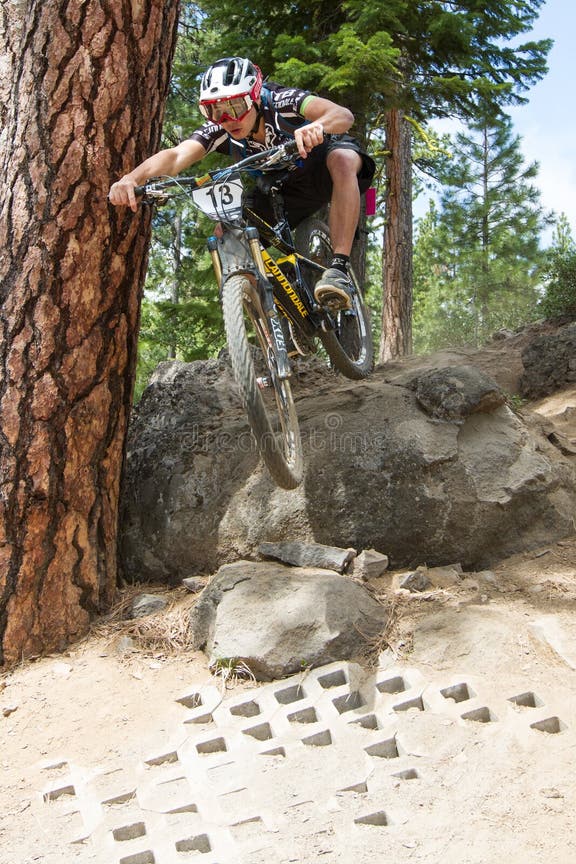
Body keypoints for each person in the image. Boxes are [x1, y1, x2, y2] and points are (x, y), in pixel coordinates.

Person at [109, 56, 375, 309]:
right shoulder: (220, 130)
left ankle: (339, 270)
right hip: (281, 189)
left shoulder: (282, 102)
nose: (228, 120)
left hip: (323, 171)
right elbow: (176, 155)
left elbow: (343, 115)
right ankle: (267, 326)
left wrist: (318, 126)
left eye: (235, 107)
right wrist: (132, 178)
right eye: (215, 111)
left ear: (255, 96)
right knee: (228, 234)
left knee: (342, 158)